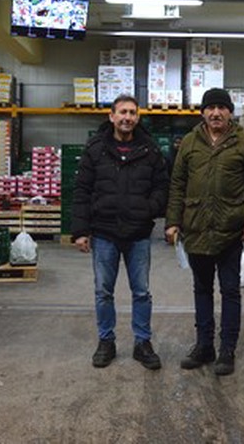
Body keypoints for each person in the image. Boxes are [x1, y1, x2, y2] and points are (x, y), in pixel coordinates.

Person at [165, 88, 244, 376]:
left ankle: (227, 350)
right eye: (211, 108)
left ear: (230, 112)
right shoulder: (189, 142)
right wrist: (173, 221)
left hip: (231, 231)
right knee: (202, 290)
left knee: (230, 291)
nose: (216, 113)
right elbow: (177, 184)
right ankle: (204, 346)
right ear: (203, 112)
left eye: (222, 107)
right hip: (196, 229)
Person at [71, 94, 171, 370]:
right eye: (122, 112)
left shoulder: (150, 150)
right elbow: (81, 191)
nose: (127, 117)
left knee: (141, 292)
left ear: (138, 117)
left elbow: (163, 187)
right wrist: (80, 230)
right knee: (103, 291)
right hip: (104, 232)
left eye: (132, 113)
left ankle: (142, 343)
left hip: (138, 233)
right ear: (111, 116)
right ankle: (106, 341)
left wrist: (148, 208)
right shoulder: (95, 149)